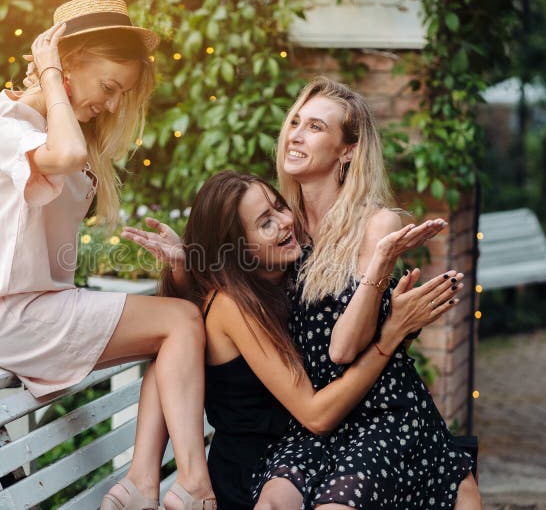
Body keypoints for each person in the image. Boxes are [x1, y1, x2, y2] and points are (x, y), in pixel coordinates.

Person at [0, 0, 215, 510]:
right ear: (69, 63)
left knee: (176, 332)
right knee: (182, 321)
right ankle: (195, 486)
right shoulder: (7, 122)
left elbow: (74, 154)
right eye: (109, 88)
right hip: (7, 313)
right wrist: (50, 72)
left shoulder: (54, 129)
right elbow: (67, 156)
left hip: (38, 305)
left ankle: (145, 484)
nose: (113, 105)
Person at [126, 170, 461, 509]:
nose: (285, 222)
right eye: (265, 223)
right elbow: (316, 416)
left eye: (280, 207)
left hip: (305, 460)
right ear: (239, 248)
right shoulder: (233, 305)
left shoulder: (290, 277)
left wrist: (399, 320)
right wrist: (389, 337)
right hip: (255, 479)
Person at [249, 77, 481, 509]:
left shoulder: (376, 225)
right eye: (295, 122)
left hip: (383, 414)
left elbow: (343, 347)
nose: (296, 135)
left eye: (316, 127)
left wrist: (380, 263)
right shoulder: (284, 228)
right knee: (271, 502)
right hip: (316, 416)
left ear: (348, 150)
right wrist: (188, 263)